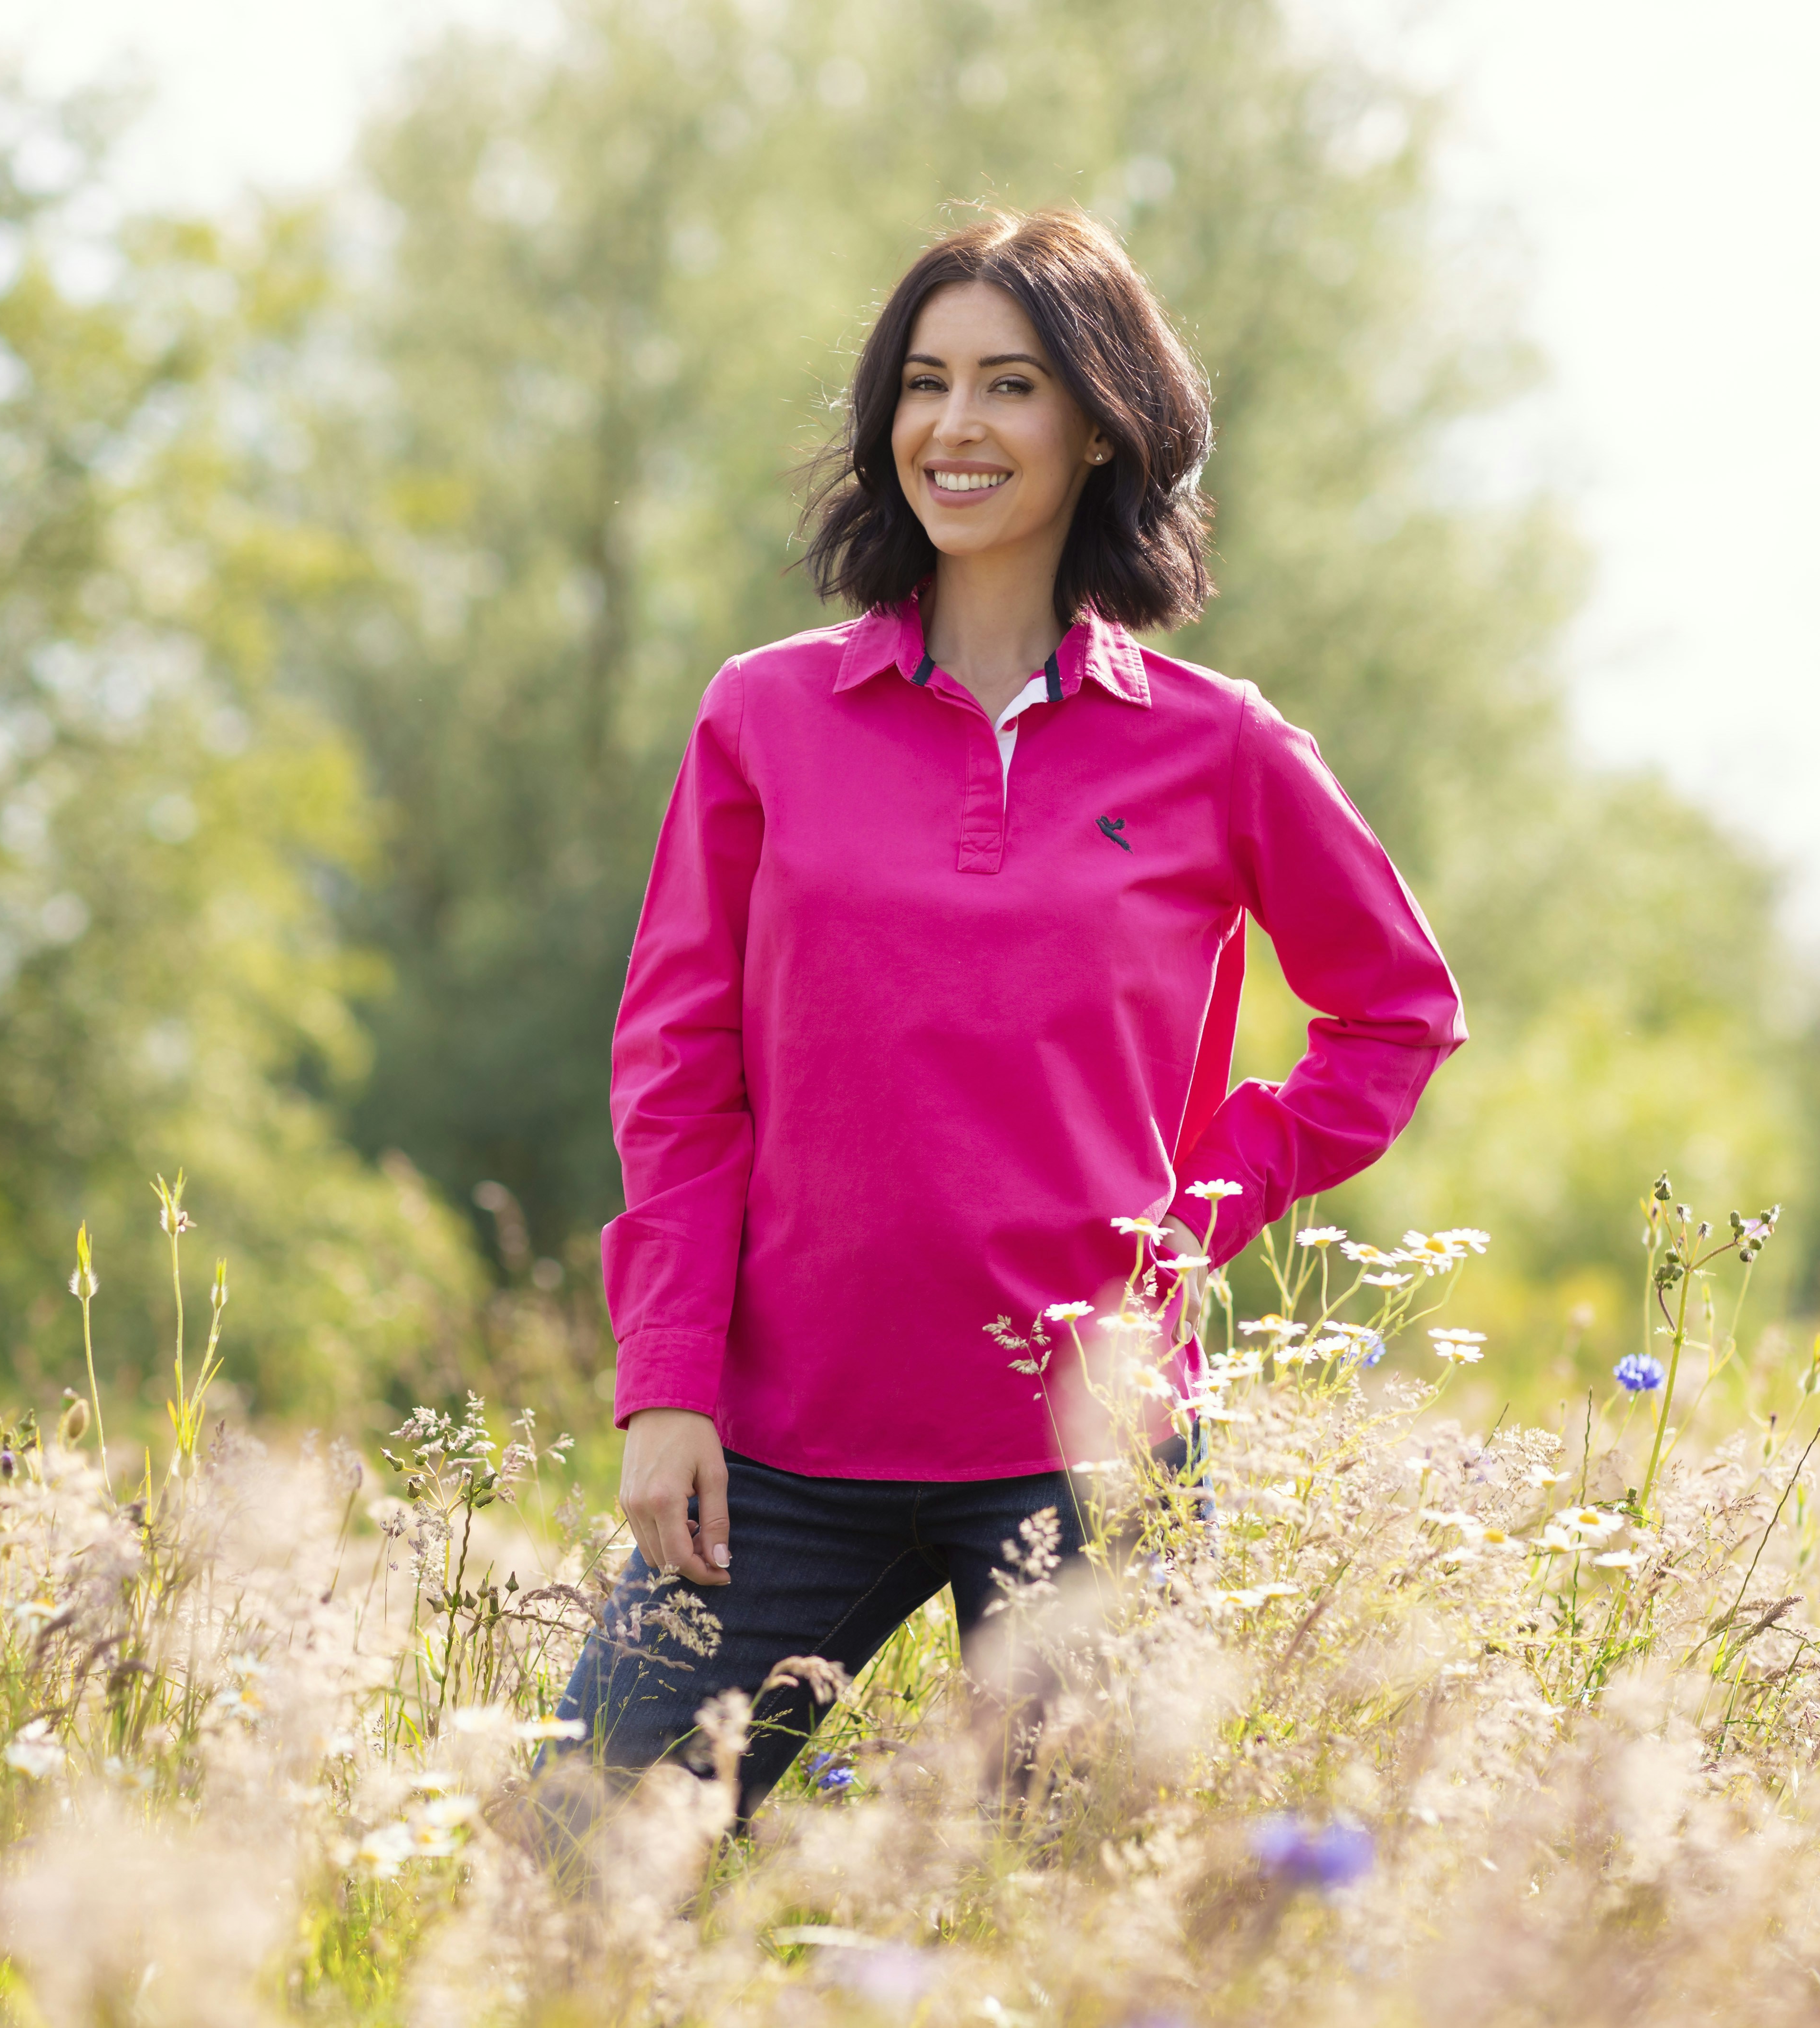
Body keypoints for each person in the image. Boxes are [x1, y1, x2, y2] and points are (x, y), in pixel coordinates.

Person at [548, 206, 1466, 1822]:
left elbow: (1395, 1010)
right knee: (574, 1851)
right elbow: (677, 1074)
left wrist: (1192, 1221)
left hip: (1089, 1461)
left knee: (1076, 1936)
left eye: (1009, 385)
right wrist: (668, 1380)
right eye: (922, 383)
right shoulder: (762, 716)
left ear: (1101, 423)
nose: (953, 427)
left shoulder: (1217, 746)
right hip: (778, 1446)